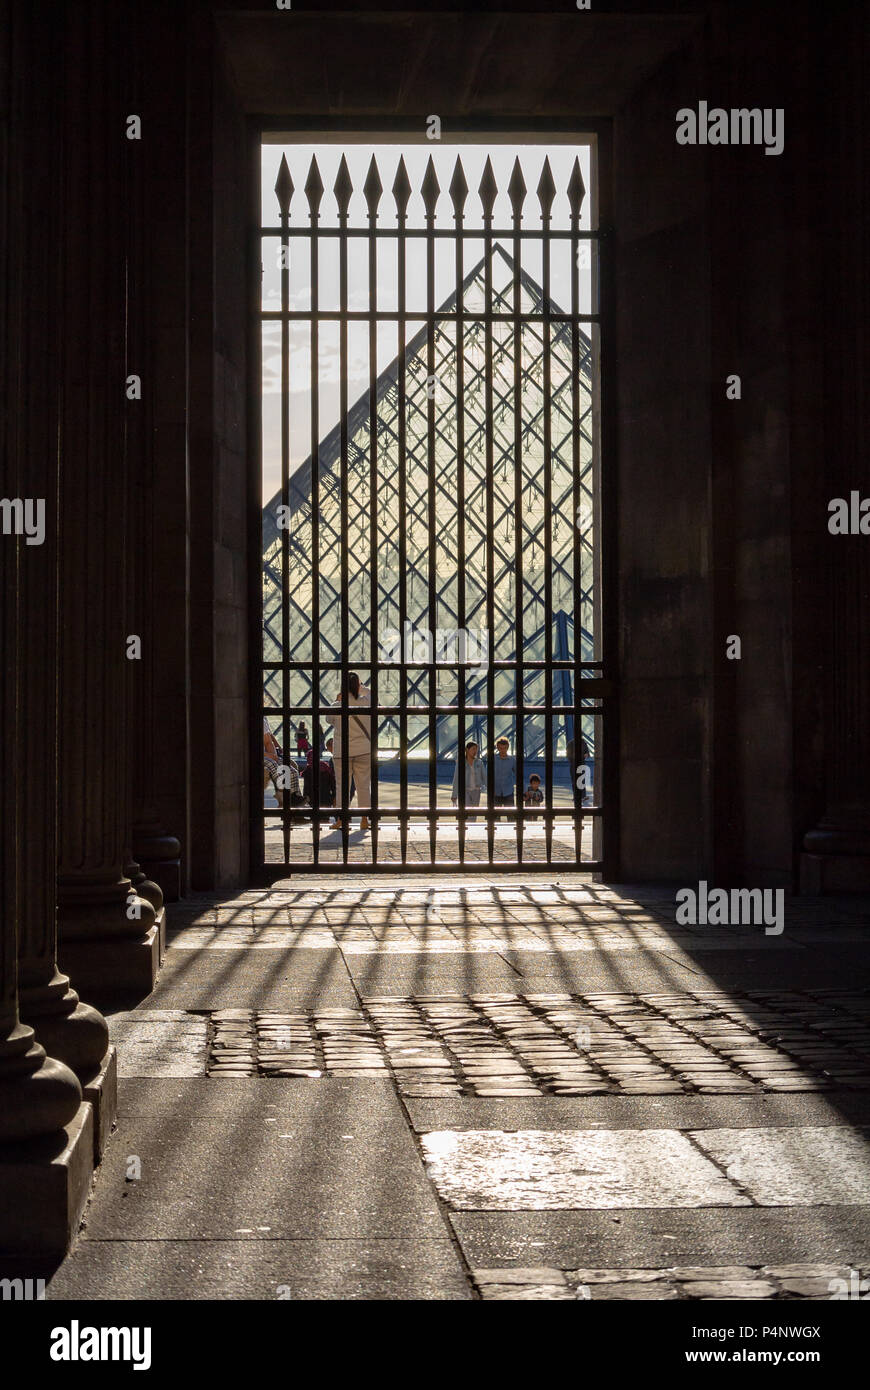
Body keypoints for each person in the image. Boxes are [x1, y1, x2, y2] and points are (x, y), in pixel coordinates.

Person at [329, 671, 372, 831]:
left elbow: (328, 720)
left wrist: (338, 699)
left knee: (342, 787)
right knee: (363, 787)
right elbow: (371, 693)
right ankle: (364, 819)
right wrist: (360, 688)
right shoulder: (366, 701)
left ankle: (341, 820)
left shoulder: (337, 706)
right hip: (364, 751)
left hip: (342, 753)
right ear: (358, 685)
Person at [263, 716, 300, 808]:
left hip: (268, 755)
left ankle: (294, 798)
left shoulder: (263, 718)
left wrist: (276, 753)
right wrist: (270, 755)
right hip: (262, 756)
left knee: (291, 767)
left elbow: (269, 738)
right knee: (279, 768)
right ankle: (285, 799)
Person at [451, 741, 486, 820]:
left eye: (476, 749)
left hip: (476, 791)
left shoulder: (479, 763)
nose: (475, 751)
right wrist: (454, 795)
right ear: (467, 750)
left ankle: (472, 828)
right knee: (466, 811)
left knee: (474, 813)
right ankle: (466, 827)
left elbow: (484, 777)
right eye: (473, 749)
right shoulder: (460, 763)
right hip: (464, 791)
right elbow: (456, 779)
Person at [303, 745, 336, 827]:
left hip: (313, 799)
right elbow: (332, 782)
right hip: (326, 798)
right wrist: (334, 794)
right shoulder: (325, 766)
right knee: (325, 819)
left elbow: (306, 787)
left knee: (315, 821)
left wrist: (305, 796)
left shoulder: (307, 770)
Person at [493, 736, 516, 820]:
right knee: (495, 817)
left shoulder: (512, 760)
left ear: (507, 748)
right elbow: (488, 775)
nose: (502, 750)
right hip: (496, 791)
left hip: (508, 791)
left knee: (511, 816)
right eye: (500, 748)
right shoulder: (493, 759)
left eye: (504, 748)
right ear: (497, 748)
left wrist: (524, 789)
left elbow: (518, 774)